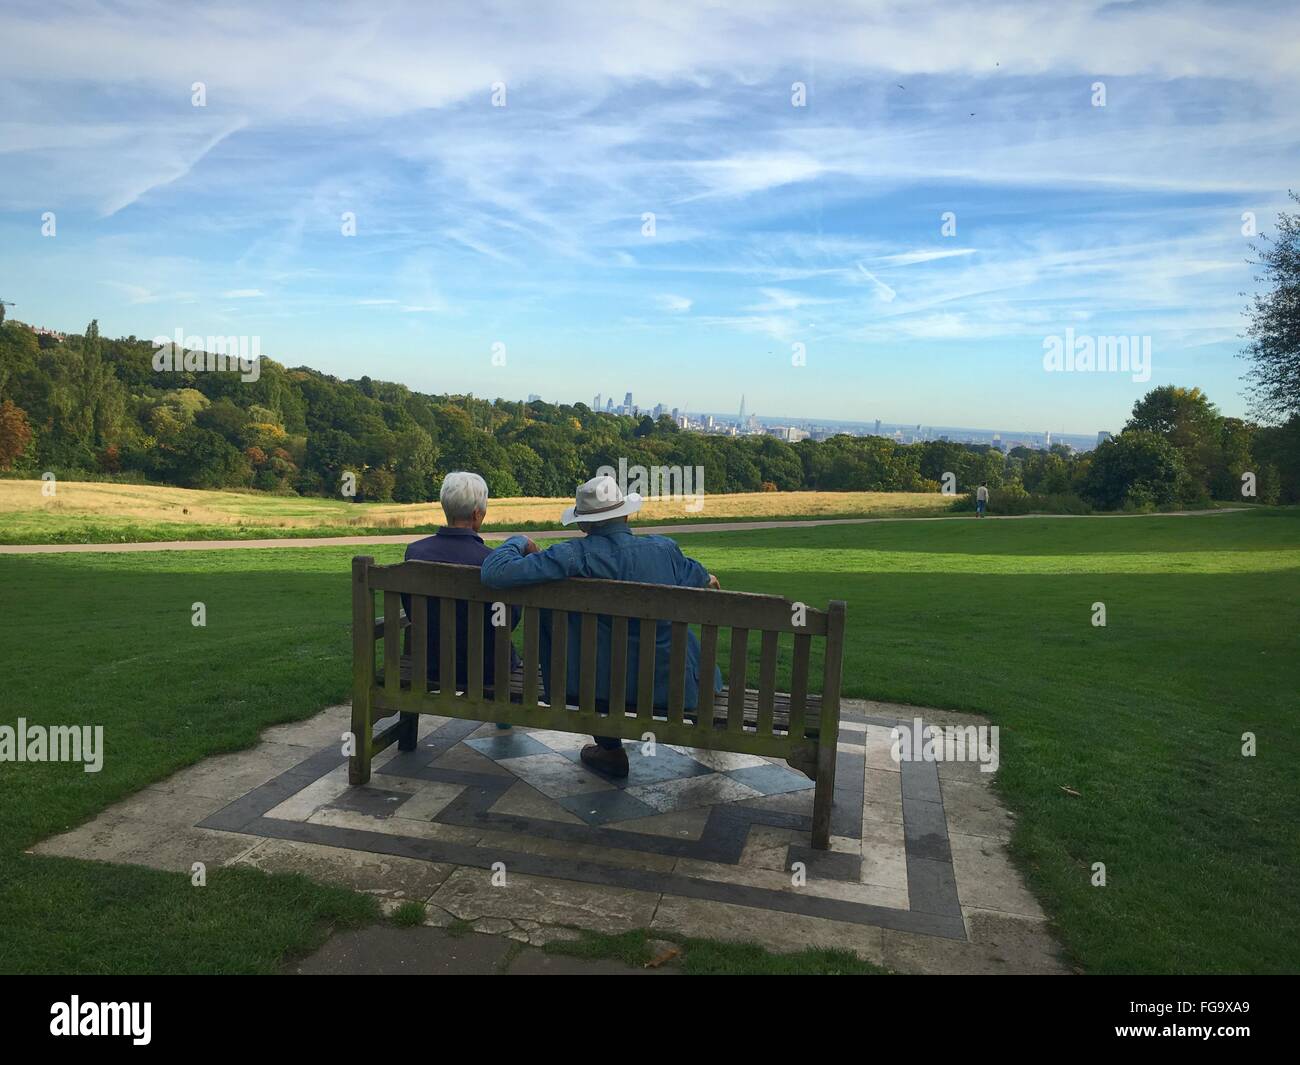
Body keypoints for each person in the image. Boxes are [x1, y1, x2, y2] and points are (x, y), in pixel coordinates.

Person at [480, 474, 722, 778]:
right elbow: (699, 576)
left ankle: (609, 748)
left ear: (582, 524)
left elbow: (495, 573)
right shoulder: (665, 550)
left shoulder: (571, 556)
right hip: (673, 689)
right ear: (625, 514)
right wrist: (708, 578)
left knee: (599, 660)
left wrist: (519, 540)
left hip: (593, 689)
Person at [403, 472, 520, 703]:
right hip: (488, 670)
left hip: (431, 665)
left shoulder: (415, 553)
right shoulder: (492, 562)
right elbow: (509, 621)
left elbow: (412, 609)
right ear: (477, 514)